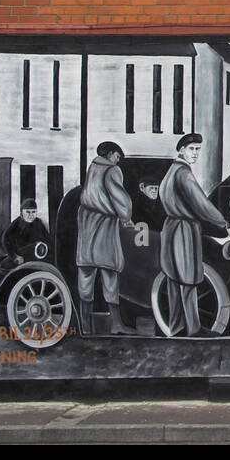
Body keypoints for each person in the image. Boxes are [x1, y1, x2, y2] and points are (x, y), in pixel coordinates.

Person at [158, 133, 230, 337]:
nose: (196, 154)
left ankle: (176, 327)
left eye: (198, 150)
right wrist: (221, 221)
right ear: (181, 150)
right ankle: (193, 328)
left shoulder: (171, 172)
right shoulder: (183, 173)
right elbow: (200, 202)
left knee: (174, 278)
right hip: (184, 229)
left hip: (171, 228)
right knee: (188, 278)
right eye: (192, 149)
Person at [76, 142, 136, 335]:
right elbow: (120, 198)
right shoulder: (112, 171)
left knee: (86, 275)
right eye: (118, 156)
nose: (119, 160)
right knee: (109, 273)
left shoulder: (92, 168)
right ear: (111, 154)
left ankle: (85, 326)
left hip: (87, 222)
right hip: (104, 224)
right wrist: (126, 217)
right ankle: (117, 324)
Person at [3, 200, 50, 266]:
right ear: (21, 212)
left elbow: (47, 239)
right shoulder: (17, 223)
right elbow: (5, 239)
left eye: (33, 212)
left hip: (38, 259)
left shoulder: (38, 222)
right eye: (28, 212)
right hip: (20, 259)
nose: (31, 215)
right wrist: (14, 256)